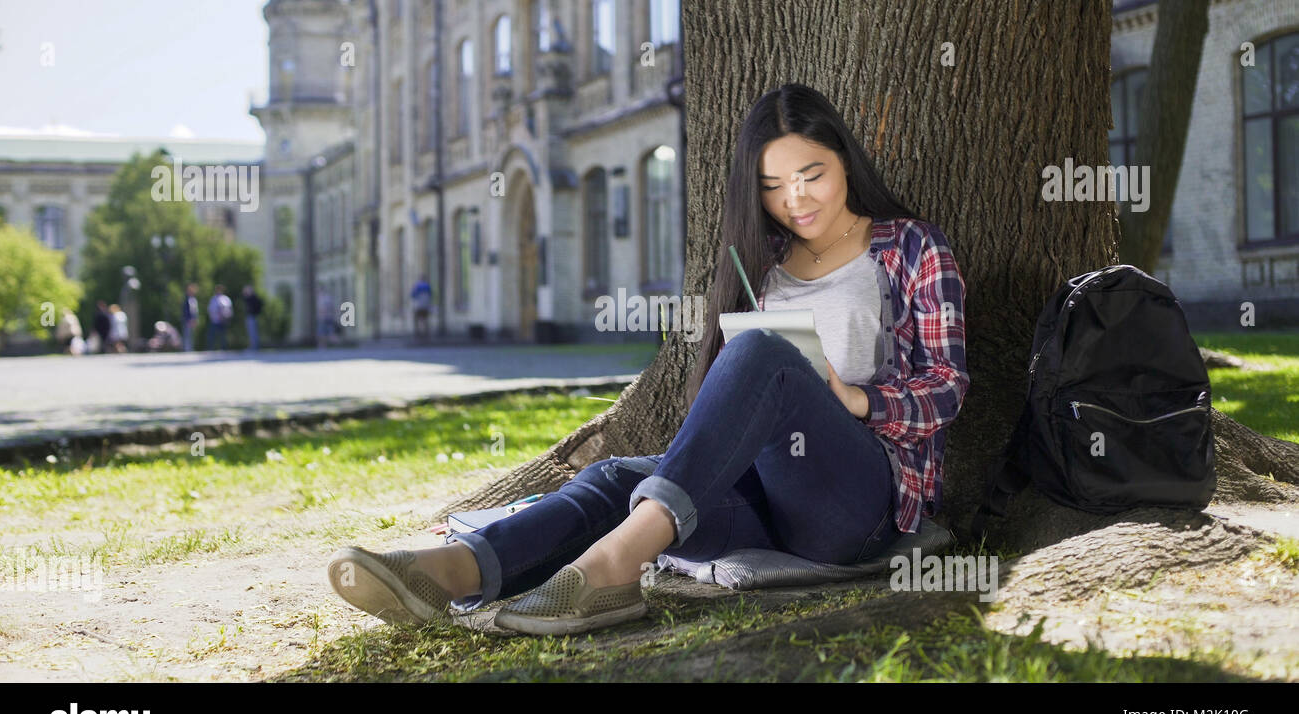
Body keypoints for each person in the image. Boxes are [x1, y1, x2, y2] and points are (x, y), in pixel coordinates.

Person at [327, 83, 970, 636]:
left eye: (812, 175)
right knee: (614, 478)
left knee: (763, 352)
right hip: (765, 501)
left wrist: (851, 397)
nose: (795, 200)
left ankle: (613, 568)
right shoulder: (761, 261)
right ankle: (454, 570)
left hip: (858, 499)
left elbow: (947, 389)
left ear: (846, 162)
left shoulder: (910, 246)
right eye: (773, 186)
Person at [207, 285, 233, 351]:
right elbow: (210, 309)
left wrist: (227, 317)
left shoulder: (226, 299)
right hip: (215, 320)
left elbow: (229, 309)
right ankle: (211, 348)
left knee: (223, 335)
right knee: (212, 335)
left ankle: (224, 348)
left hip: (223, 320)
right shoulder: (213, 299)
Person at [410, 274, 432, 340]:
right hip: (426, 306)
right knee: (425, 319)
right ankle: (426, 333)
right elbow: (430, 295)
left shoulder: (417, 286)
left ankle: (417, 333)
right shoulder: (428, 286)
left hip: (419, 306)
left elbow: (413, 295)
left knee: (416, 319)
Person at [242, 285, 264, 352]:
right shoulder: (248, 298)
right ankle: (253, 347)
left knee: (253, 333)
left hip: (253, 316)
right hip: (250, 316)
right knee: (251, 333)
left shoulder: (254, 298)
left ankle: (255, 347)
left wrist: (256, 312)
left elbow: (260, 305)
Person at [181, 283, 200, 352]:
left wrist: (195, 319)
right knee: (187, 335)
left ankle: (190, 348)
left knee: (191, 335)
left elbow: (195, 311)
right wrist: (189, 319)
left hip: (192, 320)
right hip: (188, 320)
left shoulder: (193, 299)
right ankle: (187, 349)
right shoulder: (187, 300)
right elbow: (186, 311)